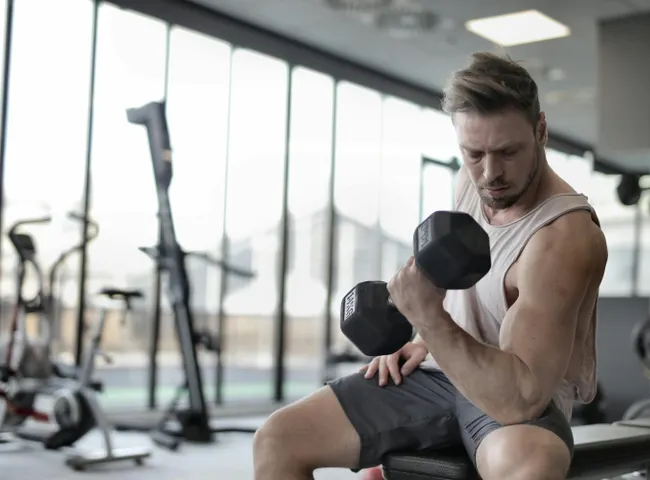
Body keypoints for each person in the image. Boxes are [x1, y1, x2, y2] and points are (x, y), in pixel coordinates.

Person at [252, 52, 608, 480]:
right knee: (277, 438)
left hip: (511, 400)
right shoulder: (470, 181)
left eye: (508, 152)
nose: (490, 173)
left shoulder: (564, 237)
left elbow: (521, 397)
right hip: (439, 373)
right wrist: (424, 340)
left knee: (532, 466)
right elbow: (462, 290)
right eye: (474, 153)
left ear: (541, 130)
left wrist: (427, 318)